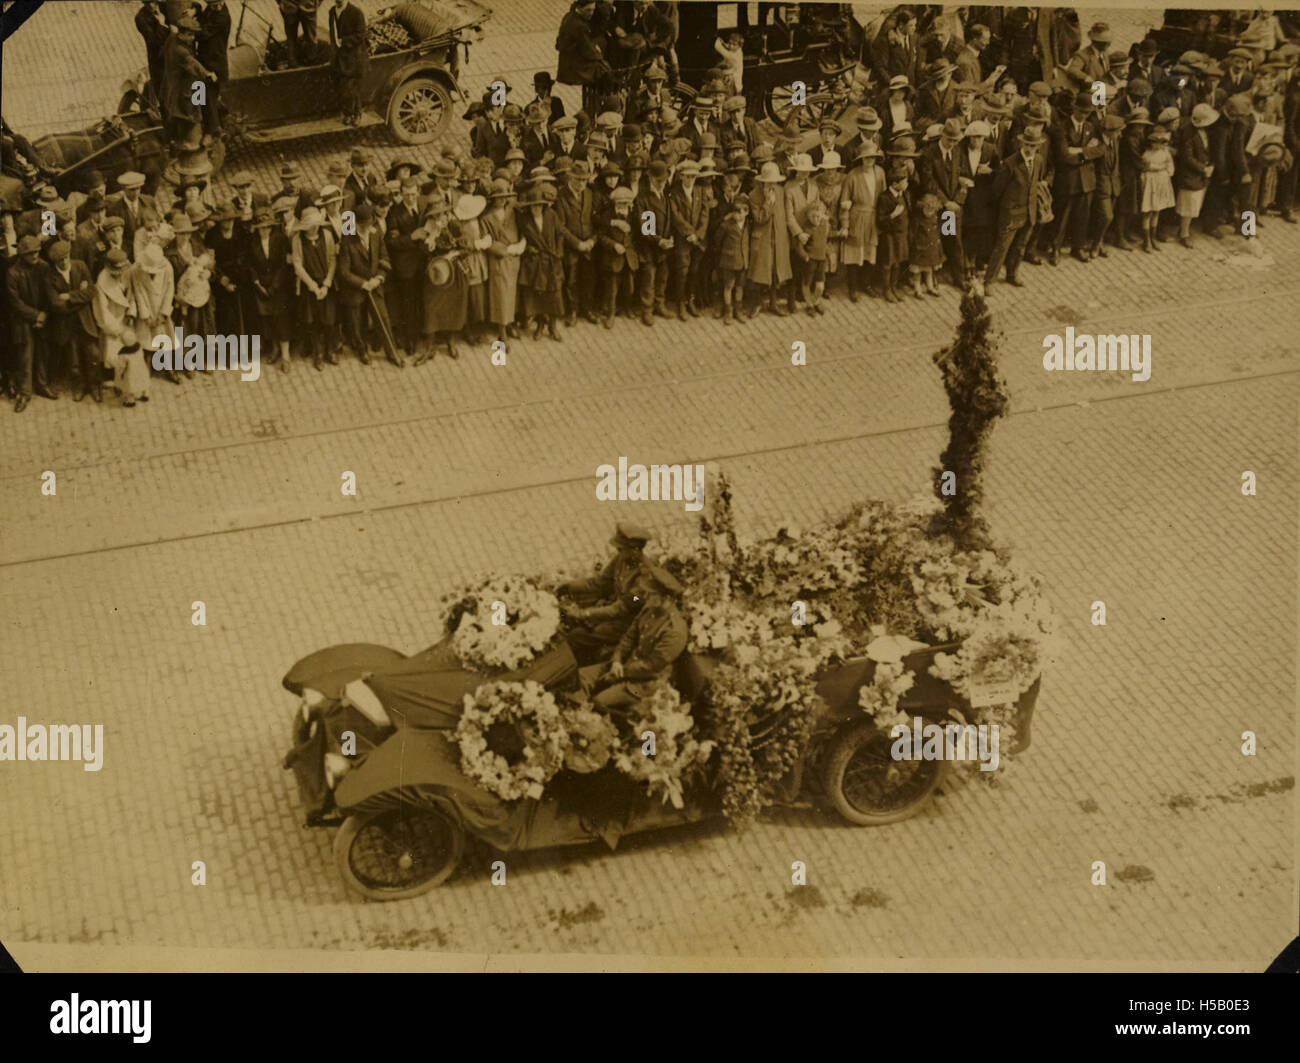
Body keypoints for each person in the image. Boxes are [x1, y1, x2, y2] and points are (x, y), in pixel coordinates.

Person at [580, 567, 688, 712]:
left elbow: (650, 667)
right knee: (582, 677)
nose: (646, 597)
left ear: (666, 599)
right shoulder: (650, 607)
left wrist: (619, 672)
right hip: (624, 665)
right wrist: (617, 659)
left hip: (644, 684)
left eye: (652, 594)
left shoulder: (674, 632)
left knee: (598, 703)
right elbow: (630, 636)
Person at [559, 523, 657, 663]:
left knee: (576, 636)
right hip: (610, 610)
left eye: (621, 549)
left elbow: (618, 609)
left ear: (635, 550)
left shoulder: (644, 579)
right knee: (570, 619)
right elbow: (599, 583)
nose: (617, 551)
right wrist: (569, 586)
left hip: (626, 625)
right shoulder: (621, 559)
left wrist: (583, 613)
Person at [984, 127, 1047, 288]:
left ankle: (1012, 274)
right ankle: (989, 280)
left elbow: (1036, 183)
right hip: (1011, 214)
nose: (1029, 149)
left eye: (1033, 146)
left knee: (1020, 247)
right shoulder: (1010, 164)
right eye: (1027, 144)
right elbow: (996, 190)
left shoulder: (1039, 160)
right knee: (1002, 248)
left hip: (1029, 212)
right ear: (1021, 143)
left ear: (1038, 146)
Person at [44, 239, 100, 402]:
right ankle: (80, 386)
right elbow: (56, 305)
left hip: (85, 321)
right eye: (60, 260)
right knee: (74, 360)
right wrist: (80, 298)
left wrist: (70, 296)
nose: (64, 262)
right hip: (66, 325)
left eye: (66, 257)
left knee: (94, 355)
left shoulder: (80, 266)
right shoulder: (49, 277)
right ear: (55, 261)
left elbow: (91, 291)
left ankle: (94, 386)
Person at [7, 234, 53, 411]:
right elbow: (15, 303)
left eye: (37, 252)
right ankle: (24, 393)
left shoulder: (44, 267)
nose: (35, 256)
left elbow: (50, 294)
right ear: (21, 254)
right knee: (25, 356)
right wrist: (36, 316)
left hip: (44, 316)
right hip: (23, 320)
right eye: (30, 253)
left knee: (43, 352)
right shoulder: (13, 273)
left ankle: (42, 385)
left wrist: (44, 315)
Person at [92, 251, 143, 405]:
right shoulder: (101, 283)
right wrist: (116, 330)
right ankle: (113, 381)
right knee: (113, 354)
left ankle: (132, 385)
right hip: (112, 324)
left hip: (126, 319)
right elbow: (102, 312)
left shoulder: (128, 274)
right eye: (116, 272)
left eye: (121, 270)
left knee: (132, 355)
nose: (119, 274)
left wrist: (131, 313)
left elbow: (132, 295)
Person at [246, 207, 293, 371]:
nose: (264, 231)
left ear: (271, 227)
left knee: (281, 318)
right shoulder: (252, 242)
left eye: (267, 227)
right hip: (261, 286)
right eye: (261, 228)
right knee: (267, 319)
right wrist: (257, 283)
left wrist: (274, 286)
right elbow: (250, 265)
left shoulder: (280, 239)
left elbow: (283, 265)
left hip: (278, 285)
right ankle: (274, 348)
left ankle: (286, 355)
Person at [518, 181, 565, 340]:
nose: (536, 209)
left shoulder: (552, 216)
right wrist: (528, 249)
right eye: (533, 206)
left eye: (539, 206)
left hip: (552, 262)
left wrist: (558, 252)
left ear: (543, 205)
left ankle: (553, 327)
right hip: (536, 263)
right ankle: (539, 326)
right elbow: (521, 240)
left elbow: (560, 234)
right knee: (538, 297)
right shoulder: (525, 221)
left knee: (554, 296)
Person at [291, 206, 337, 369]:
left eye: (317, 223)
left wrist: (326, 284)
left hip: (326, 284)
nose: (315, 227)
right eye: (311, 224)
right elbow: (298, 266)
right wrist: (312, 286)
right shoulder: (298, 239)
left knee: (329, 320)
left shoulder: (327, 235)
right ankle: (317, 353)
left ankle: (330, 350)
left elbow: (332, 260)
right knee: (313, 321)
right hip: (308, 286)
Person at [481, 179, 525, 344]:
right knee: (500, 294)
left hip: (515, 258)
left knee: (513, 292)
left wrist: (521, 243)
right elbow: (487, 241)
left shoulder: (513, 211)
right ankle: (502, 330)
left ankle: (511, 322)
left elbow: (522, 228)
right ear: (493, 198)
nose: (501, 200)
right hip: (499, 259)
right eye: (498, 197)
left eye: (504, 196)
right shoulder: (486, 217)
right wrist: (505, 250)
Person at [1174, 103, 1218, 247]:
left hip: (1201, 175)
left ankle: (1184, 229)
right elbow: (1187, 157)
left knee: (1195, 204)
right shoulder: (1188, 133)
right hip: (1190, 175)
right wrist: (1203, 168)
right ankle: (1184, 233)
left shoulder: (1205, 132)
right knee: (1189, 206)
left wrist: (1209, 165)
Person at [329, 0, 368, 127]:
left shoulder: (356, 13)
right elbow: (333, 34)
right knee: (342, 87)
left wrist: (344, 41)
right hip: (340, 56)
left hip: (354, 56)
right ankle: (348, 114)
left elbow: (361, 35)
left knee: (353, 89)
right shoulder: (332, 12)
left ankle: (357, 114)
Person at [875, 162, 910, 302]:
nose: (906, 183)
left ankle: (894, 286)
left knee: (898, 262)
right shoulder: (884, 197)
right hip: (889, 236)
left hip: (901, 235)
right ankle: (886, 289)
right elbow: (880, 220)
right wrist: (893, 215)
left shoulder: (905, 194)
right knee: (888, 263)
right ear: (895, 183)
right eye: (904, 181)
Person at [196, 0, 231, 139]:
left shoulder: (223, 17)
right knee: (204, 95)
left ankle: (215, 130)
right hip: (206, 59)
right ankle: (212, 122)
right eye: (212, 5)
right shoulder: (210, 10)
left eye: (217, 4)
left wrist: (187, 29)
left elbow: (203, 34)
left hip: (215, 63)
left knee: (209, 97)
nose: (216, 7)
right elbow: (202, 19)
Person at [1139, 127, 1176, 251]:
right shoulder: (1146, 154)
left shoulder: (1165, 152)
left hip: (1161, 182)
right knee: (1147, 212)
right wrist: (1159, 167)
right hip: (1150, 183)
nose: (1158, 145)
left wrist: (1166, 171)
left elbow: (1170, 166)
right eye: (1155, 142)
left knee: (1157, 210)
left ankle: (1153, 238)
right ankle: (1146, 240)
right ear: (1151, 143)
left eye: (1161, 142)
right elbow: (1146, 167)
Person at [135, 1, 171, 115]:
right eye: (148, 2)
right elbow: (154, 41)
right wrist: (162, 24)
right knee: (164, 95)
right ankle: (168, 125)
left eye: (154, 2)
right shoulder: (141, 18)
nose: (152, 6)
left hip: (174, 57)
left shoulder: (166, 7)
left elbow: (195, 5)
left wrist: (194, 9)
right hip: (158, 60)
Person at [279, 0, 320, 67]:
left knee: (310, 37)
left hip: (306, 5)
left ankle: (311, 64)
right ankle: (294, 65)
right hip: (292, 6)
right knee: (291, 38)